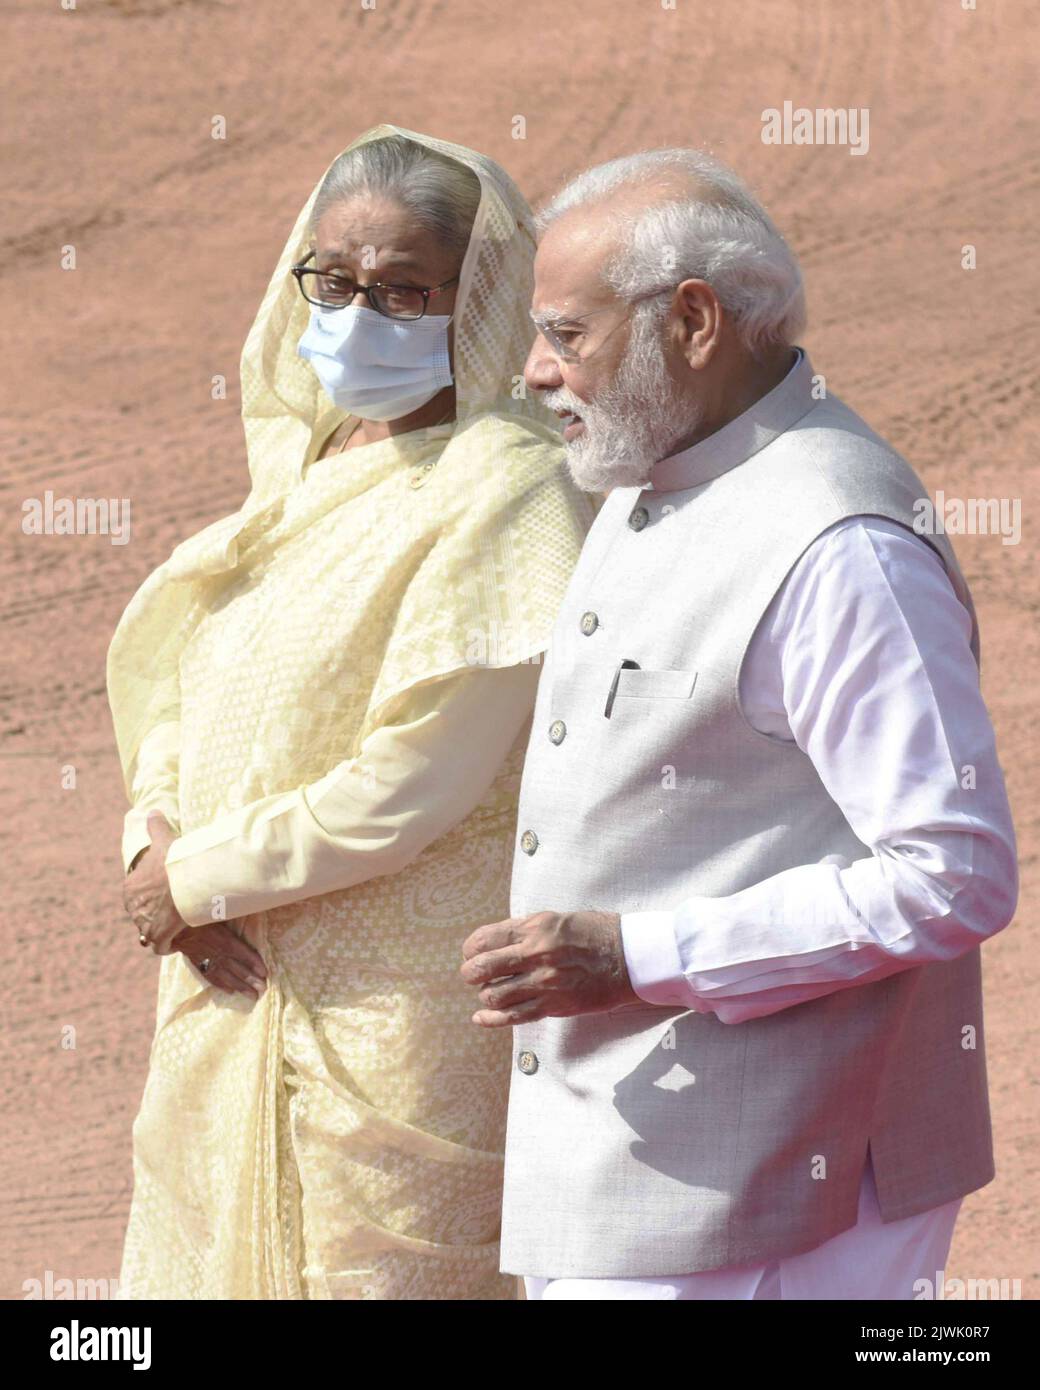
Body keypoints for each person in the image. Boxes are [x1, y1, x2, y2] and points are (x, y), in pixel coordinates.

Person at [459, 148, 1018, 1300]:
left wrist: (637, 954)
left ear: (694, 322)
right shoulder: (655, 472)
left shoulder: (839, 549)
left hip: (785, 1198)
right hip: (646, 1174)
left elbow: (952, 873)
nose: (534, 372)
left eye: (567, 334)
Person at [106, 124, 595, 1300]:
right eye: (333, 280)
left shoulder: (510, 489)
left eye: (402, 290)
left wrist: (193, 879)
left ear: (476, 299)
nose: (358, 314)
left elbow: (417, 781)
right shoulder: (313, 461)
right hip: (227, 977)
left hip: (393, 1017)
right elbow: (188, 674)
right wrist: (151, 836)